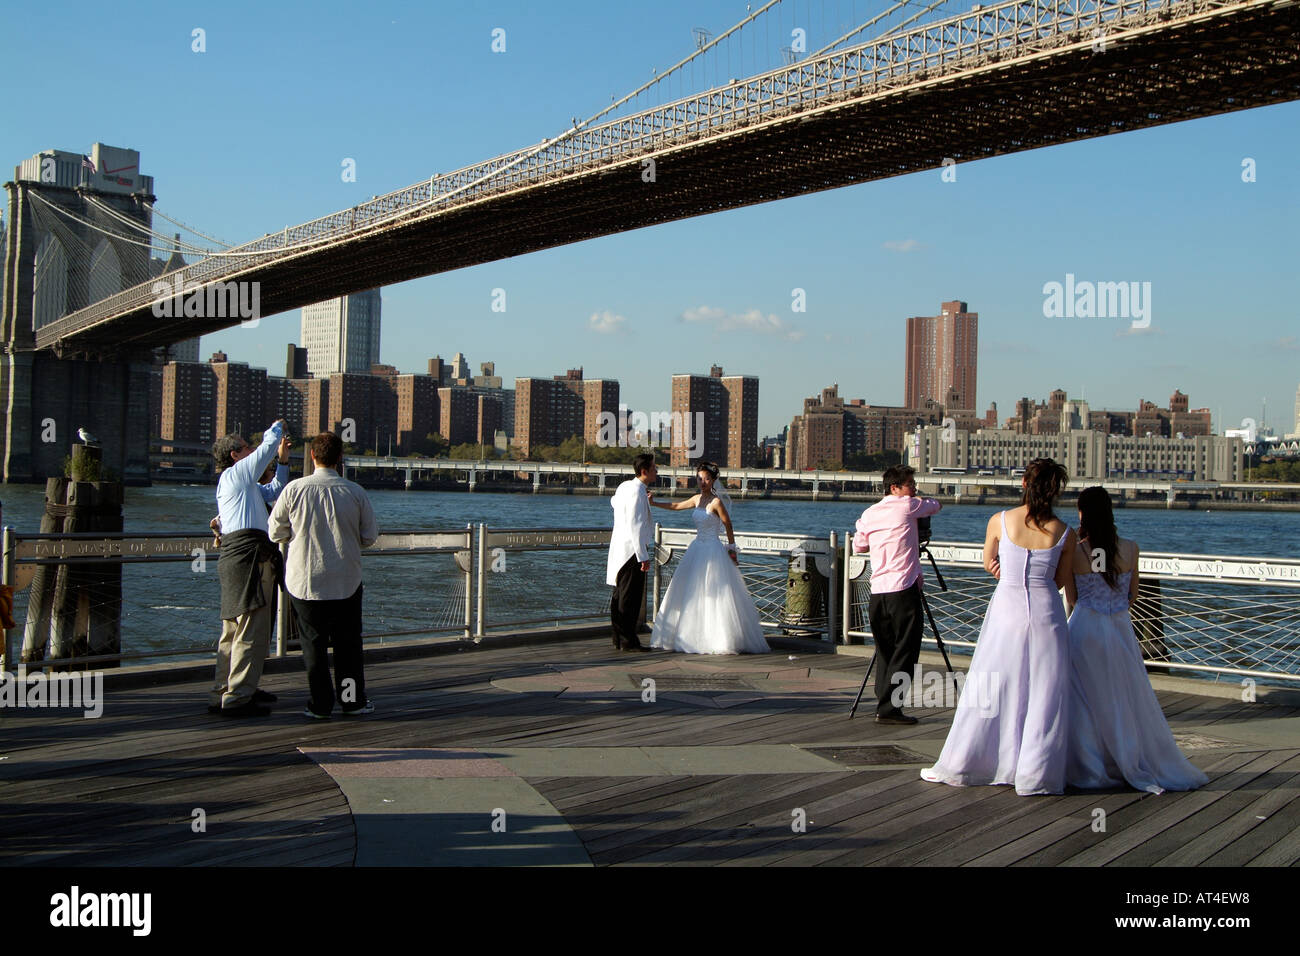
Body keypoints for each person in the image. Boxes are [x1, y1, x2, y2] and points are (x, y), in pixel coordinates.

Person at [921, 458, 1076, 794]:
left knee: (993, 684)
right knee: (1044, 691)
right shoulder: (1065, 532)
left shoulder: (1000, 520)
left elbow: (988, 559)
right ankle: (1036, 771)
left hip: (1007, 609)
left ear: (1024, 484)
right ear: (1055, 491)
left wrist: (999, 570)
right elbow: (1063, 582)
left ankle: (974, 760)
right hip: (1047, 613)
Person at [1065, 487, 1208, 793]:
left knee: (1084, 698)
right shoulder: (1131, 548)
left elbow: (1073, 599)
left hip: (1084, 630)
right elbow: (1133, 596)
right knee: (1122, 695)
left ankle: (1090, 764)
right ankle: (1125, 756)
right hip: (1119, 630)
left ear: (1083, 514)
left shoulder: (1076, 551)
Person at [269, 432, 379, 719]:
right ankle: (351, 700)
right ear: (340, 458)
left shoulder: (294, 490)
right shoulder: (355, 492)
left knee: (313, 644)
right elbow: (369, 537)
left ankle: (320, 704)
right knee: (348, 645)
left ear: (312, 456)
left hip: (305, 580)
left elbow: (274, 531)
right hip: (346, 579)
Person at [209, 420, 292, 717]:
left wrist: (282, 460)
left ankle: (225, 689)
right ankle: (239, 697)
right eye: (246, 446)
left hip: (235, 559)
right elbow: (265, 448)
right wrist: (276, 428)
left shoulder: (243, 486)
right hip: (250, 560)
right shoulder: (237, 474)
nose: (251, 450)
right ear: (235, 454)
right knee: (251, 630)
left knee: (232, 629)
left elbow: (277, 490)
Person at [649, 461, 769, 655]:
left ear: (713, 480)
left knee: (715, 593)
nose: (702, 482)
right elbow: (677, 505)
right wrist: (655, 503)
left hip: (713, 550)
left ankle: (719, 638)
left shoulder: (716, 502)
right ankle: (688, 636)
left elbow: (728, 525)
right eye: (699, 478)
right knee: (691, 591)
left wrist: (731, 549)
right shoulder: (696, 499)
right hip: (697, 548)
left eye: (706, 479)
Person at [854, 465, 942, 724]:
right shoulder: (908, 506)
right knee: (906, 648)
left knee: (885, 649)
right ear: (895, 488)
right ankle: (891, 708)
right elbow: (935, 506)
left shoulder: (870, 513)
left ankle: (883, 702)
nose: (913, 489)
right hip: (903, 588)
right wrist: (920, 501)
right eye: (910, 485)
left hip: (878, 590)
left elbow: (858, 545)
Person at [606, 453, 657, 652]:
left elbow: (613, 502)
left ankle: (618, 637)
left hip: (619, 549)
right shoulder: (637, 492)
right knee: (630, 597)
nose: (656, 471)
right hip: (632, 552)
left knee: (619, 595)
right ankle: (629, 641)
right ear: (644, 471)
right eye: (653, 468)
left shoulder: (624, 487)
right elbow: (636, 526)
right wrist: (643, 556)